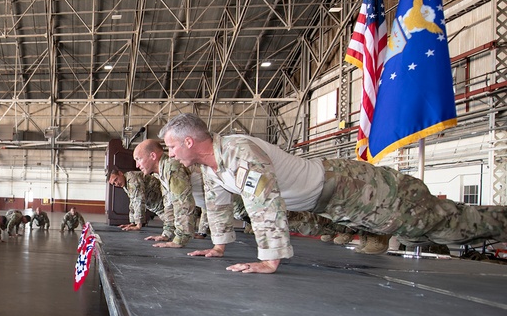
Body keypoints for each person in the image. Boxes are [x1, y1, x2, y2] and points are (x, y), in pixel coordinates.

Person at [160, 113, 507, 273]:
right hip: (334, 205)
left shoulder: (237, 150)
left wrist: (269, 259)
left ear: (189, 141)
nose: (171, 154)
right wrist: (219, 246)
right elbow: (219, 207)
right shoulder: (209, 167)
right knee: (422, 231)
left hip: (355, 189)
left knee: (445, 225)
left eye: (172, 147)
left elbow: (263, 200)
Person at [132, 139, 198, 247]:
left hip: (228, 201)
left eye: (138, 159)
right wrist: (166, 234)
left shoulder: (172, 167)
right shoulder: (161, 173)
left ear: (153, 156)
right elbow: (169, 204)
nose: (137, 165)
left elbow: (182, 203)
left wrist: (179, 239)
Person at [107, 168, 165, 233]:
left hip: (164, 201)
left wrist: (138, 225)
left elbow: (139, 200)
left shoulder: (132, 179)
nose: (116, 183)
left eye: (116, 179)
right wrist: (133, 222)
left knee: (175, 224)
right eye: (114, 183)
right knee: (173, 225)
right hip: (157, 206)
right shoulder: (125, 183)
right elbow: (132, 202)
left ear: (120, 173)